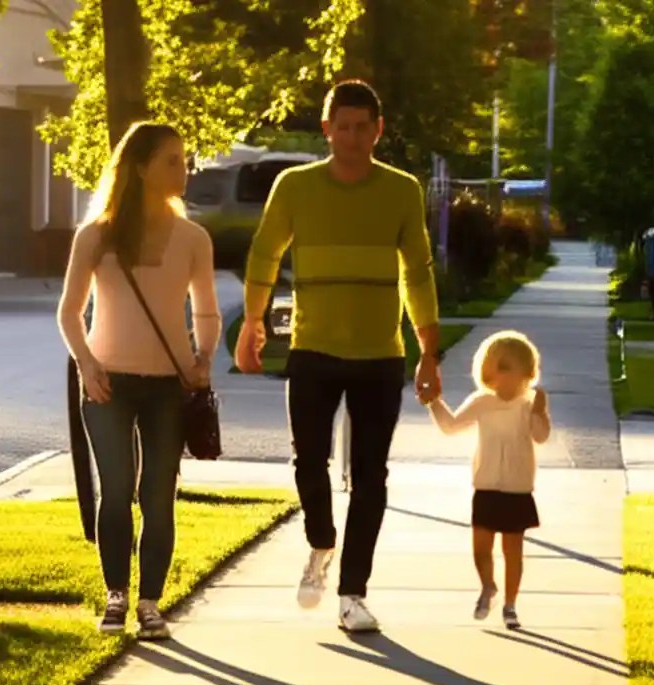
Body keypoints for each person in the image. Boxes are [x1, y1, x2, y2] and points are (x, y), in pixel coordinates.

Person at [234, 79, 442, 633]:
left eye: (362, 128)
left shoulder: (401, 190)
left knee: (371, 477)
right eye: (342, 127)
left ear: (378, 130)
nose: (352, 138)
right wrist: (252, 322)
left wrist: (428, 351)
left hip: (380, 354)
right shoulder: (295, 186)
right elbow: (264, 254)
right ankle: (321, 542)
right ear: (326, 129)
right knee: (309, 461)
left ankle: (353, 594)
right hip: (313, 349)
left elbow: (418, 272)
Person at [57, 121, 221, 640]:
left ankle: (150, 603)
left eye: (184, 159)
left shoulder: (193, 239)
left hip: (169, 385)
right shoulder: (96, 236)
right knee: (116, 489)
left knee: (158, 494)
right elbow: (69, 312)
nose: (183, 169)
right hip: (107, 382)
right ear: (142, 167)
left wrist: (204, 357)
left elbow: (207, 311)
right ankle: (116, 596)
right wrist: (86, 363)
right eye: (172, 160)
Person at [423, 330, 551, 630]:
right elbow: (452, 425)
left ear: (526, 372)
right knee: (481, 547)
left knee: (512, 551)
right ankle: (487, 586)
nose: (502, 378)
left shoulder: (528, 403)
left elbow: (540, 436)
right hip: (486, 487)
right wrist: (434, 402)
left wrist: (540, 412)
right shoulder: (482, 402)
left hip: (517, 489)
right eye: (496, 370)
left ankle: (510, 604)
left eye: (508, 369)